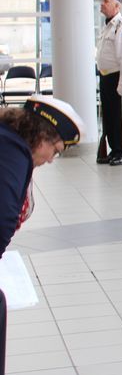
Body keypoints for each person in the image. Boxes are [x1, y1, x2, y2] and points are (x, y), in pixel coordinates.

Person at [0, 96, 83, 257]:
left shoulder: (6, 139)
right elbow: (3, 218)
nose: (51, 159)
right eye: (56, 151)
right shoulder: (13, 154)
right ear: (43, 136)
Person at [95, 0, 122, 165]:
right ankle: (113, 149)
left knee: (119, 116)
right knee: (109, 116)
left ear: (117, 6)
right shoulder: (107, 27)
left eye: (106, 1)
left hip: (118, 77)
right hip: (106, 77)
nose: (102, 4)